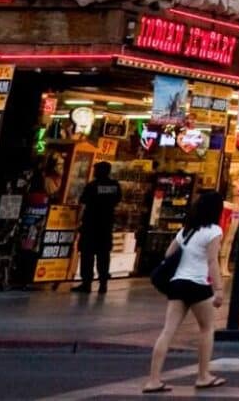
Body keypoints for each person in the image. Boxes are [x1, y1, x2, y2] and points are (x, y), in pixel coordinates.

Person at [141, 188, 225, 394]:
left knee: (167, 331)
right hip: (198, 284)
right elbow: (213, 261)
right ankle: (203, 375)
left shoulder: (186, 231)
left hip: (178, 283)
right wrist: (219, 288)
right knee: (206, 329)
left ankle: (153, 380)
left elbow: (169, 253)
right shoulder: (214, 231)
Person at [71, 160, 124, 292]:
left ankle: (87, 283)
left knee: (87, 255)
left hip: (91, 225)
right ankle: (103, 283)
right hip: (106, 225)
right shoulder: (114, 186)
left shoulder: (92, 186)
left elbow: (83, 203)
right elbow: (117, 200)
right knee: (103, 256)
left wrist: (78, 222)